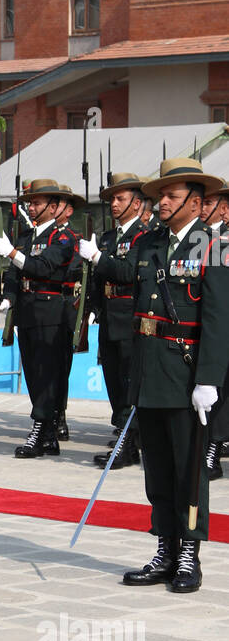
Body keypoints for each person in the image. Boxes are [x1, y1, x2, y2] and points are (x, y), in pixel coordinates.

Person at [80, 158, 229, 593]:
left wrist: (209, 380)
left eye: (170, 195)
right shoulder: (148, 243)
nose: (160, 202)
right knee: (157, 467)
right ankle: (164, 546)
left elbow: (218, 320)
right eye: (159, 195)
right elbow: (131, 286)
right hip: (148, 371)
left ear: (196, 202)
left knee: (188, 469)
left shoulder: (212, 246)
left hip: (185, 374)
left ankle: (189, 553)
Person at [0, 178, 77, 458]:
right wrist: (8, 298)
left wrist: (13, 253)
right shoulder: (27, 237)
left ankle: (40, 428)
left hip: (51, 312)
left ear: (53, 208)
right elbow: (14, 274)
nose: (32, 206)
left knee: (47, 374)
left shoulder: (63, 238)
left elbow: (42, 267)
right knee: (32, 372)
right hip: (27, 312)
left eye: (37, 202)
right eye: (31, 202)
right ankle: (49, 435)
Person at [86, 173, 150, 470]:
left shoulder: (143, 236)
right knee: (113, 378)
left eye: (120, 198)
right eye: (112, 198)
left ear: (137, 203)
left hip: (129, 315)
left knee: (128, 379)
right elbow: (99, 279)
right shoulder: (110, 237)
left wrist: (99, 258)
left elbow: (128, 273)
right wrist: (94, 307)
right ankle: (127, 436)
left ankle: (128, 442)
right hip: (110, 315)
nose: (114, 203)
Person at [52, 184, 88, 442]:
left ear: (69, 210)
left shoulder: (72, 238)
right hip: (43, 305)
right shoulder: (42, 237)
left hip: (64, 303)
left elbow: (73, 268)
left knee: (60, 364)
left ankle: (59, 416)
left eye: (59, 205)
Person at [200, 183, 229, 478]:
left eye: (209, 203)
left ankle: (215, 446)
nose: (204, 208)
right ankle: (211, 446)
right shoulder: (206, 240)